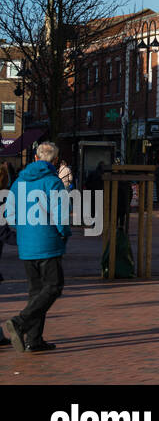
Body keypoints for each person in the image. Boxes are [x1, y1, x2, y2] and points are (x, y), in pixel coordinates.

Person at [2, 142, 69, 352]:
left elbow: (9, 215)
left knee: (36, 291)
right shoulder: (53, 183)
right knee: (54, 286)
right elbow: (61, 215)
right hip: (48, 242)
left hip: (26, 244)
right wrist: (63, 234)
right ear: (55, 161)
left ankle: (34, 339)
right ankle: (20, 322)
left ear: (35, 158)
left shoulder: (18, 182)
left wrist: (22, 230)